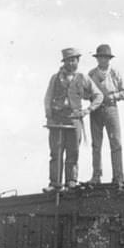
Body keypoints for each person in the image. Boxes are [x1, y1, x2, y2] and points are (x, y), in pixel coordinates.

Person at [44, 47, 99, 190]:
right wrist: (49, 116)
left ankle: (71, 181)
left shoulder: (83, 78)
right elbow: (48, 97)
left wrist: (87, 110)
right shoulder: (55, 78)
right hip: (57, 119)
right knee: (56, 152)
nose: (71, 64)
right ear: (64, 62)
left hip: (74, 119)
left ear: (78, 61)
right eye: (68, 61)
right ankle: (55, 183)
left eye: (73, 60)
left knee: (73, 152)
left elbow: (98, 95)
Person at [86, 43, 124, 186]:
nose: (103, 60)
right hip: (96, 110)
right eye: (100, 57)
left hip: (111, 109)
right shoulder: (91, 74)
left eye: (106, 57)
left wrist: (114, 96)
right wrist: (92, 97)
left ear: (109, 59)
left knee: (116, 143)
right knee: (96, 144)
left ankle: (118, 176)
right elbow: (85, 92)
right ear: (97, 58)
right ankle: (96, 176)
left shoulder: (115, 73)